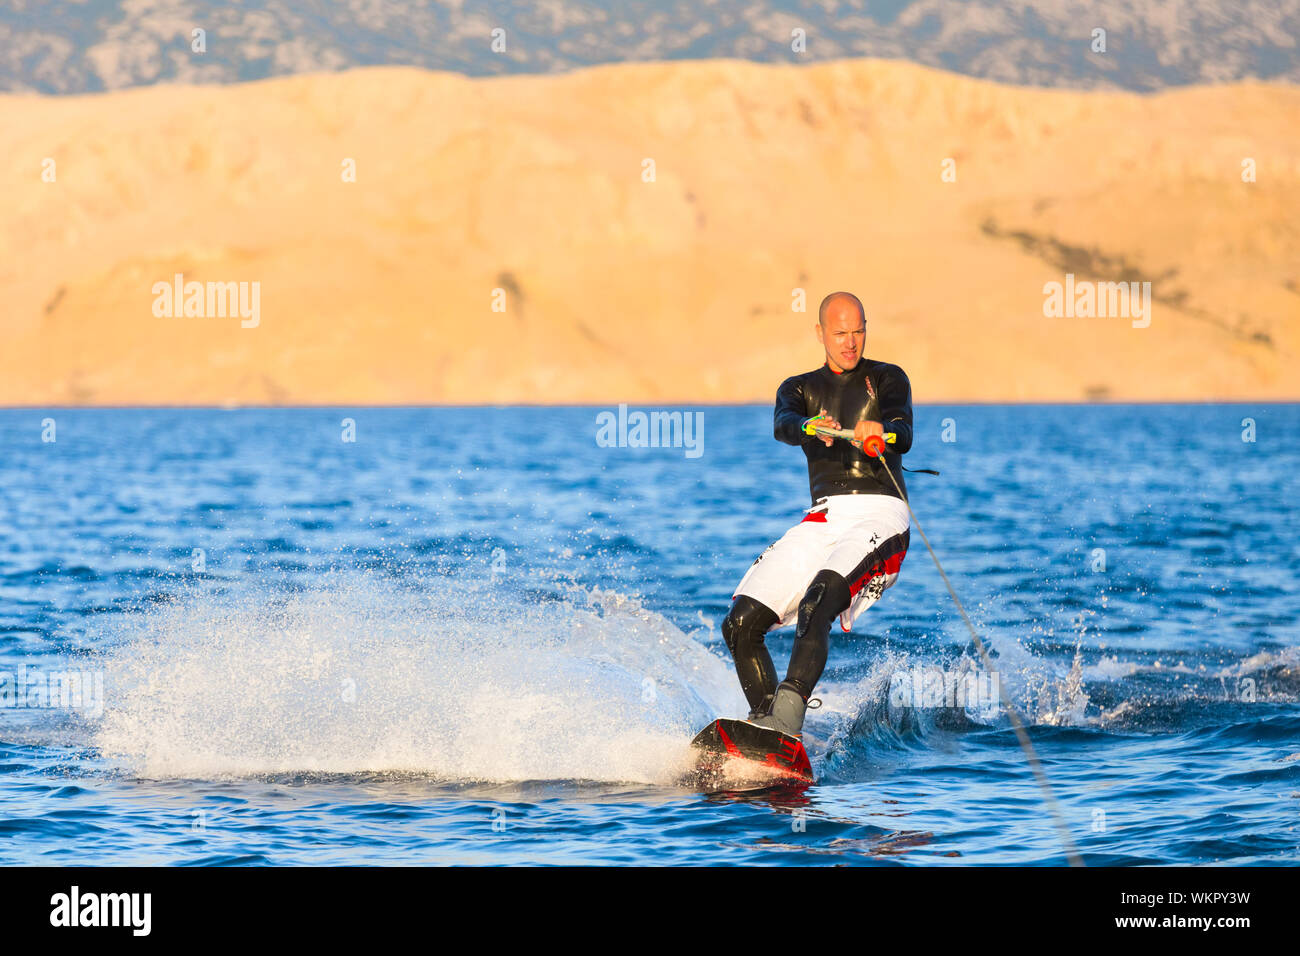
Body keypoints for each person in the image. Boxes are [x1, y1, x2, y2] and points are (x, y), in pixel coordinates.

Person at [724, 291, 913, 738]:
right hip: (825, 516)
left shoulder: (887, 379)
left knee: (818, 600)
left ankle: (787, 719)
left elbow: (903, 431)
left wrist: (880, 431)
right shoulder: (799, 388)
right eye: (840, 333)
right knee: (740, 624)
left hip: (881, 513)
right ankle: (771, 725)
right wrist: (810, 426)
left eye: (859, 331)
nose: (851, 342)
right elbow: (784, 424)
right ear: (820, 334)